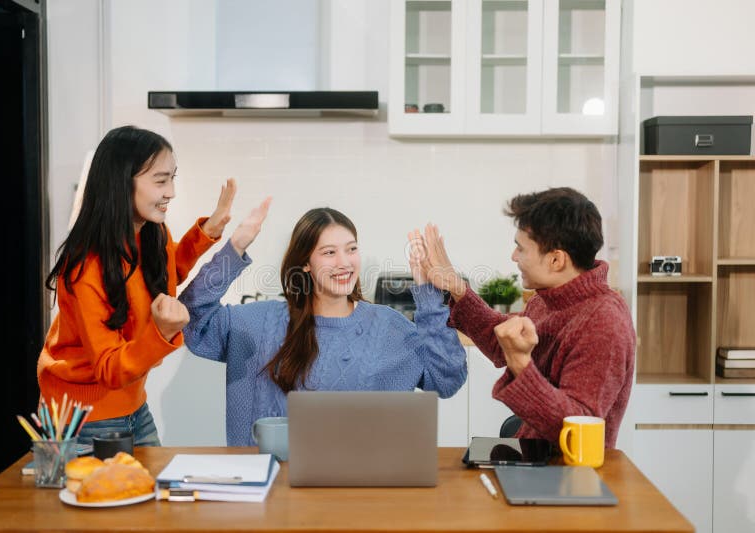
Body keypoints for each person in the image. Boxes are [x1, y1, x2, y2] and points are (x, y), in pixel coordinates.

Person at [178, 199, 468, 446]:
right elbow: (192, 318)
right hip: (266, 495)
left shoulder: (388, 327)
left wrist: (428, 294)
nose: (344, 262)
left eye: (351, 249)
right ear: (305, 263)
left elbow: (447, 379)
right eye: (329, 252)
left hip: (361, 492)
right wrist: (235, 248)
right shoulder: (257, 322)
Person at [37, 125, 238, 447]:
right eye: (160, 180)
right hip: (81, 421)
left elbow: (162, 276)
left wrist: (209, 231)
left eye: (173, 178)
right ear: (120, 184)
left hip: (132, 406)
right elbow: (109, 369)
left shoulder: (149, 233)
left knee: (151, 497)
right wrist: (160, 332)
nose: (171, 191)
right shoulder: (85, 268)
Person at [412, 187, 635, 448]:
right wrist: (457, 288)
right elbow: (500, 341)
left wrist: (520, 363)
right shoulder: (549, 297)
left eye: (521, 248)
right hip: (535, 457)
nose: (513, 256)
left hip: (568, 476)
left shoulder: (603, 322)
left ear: (556, 260)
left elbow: (578, 436)